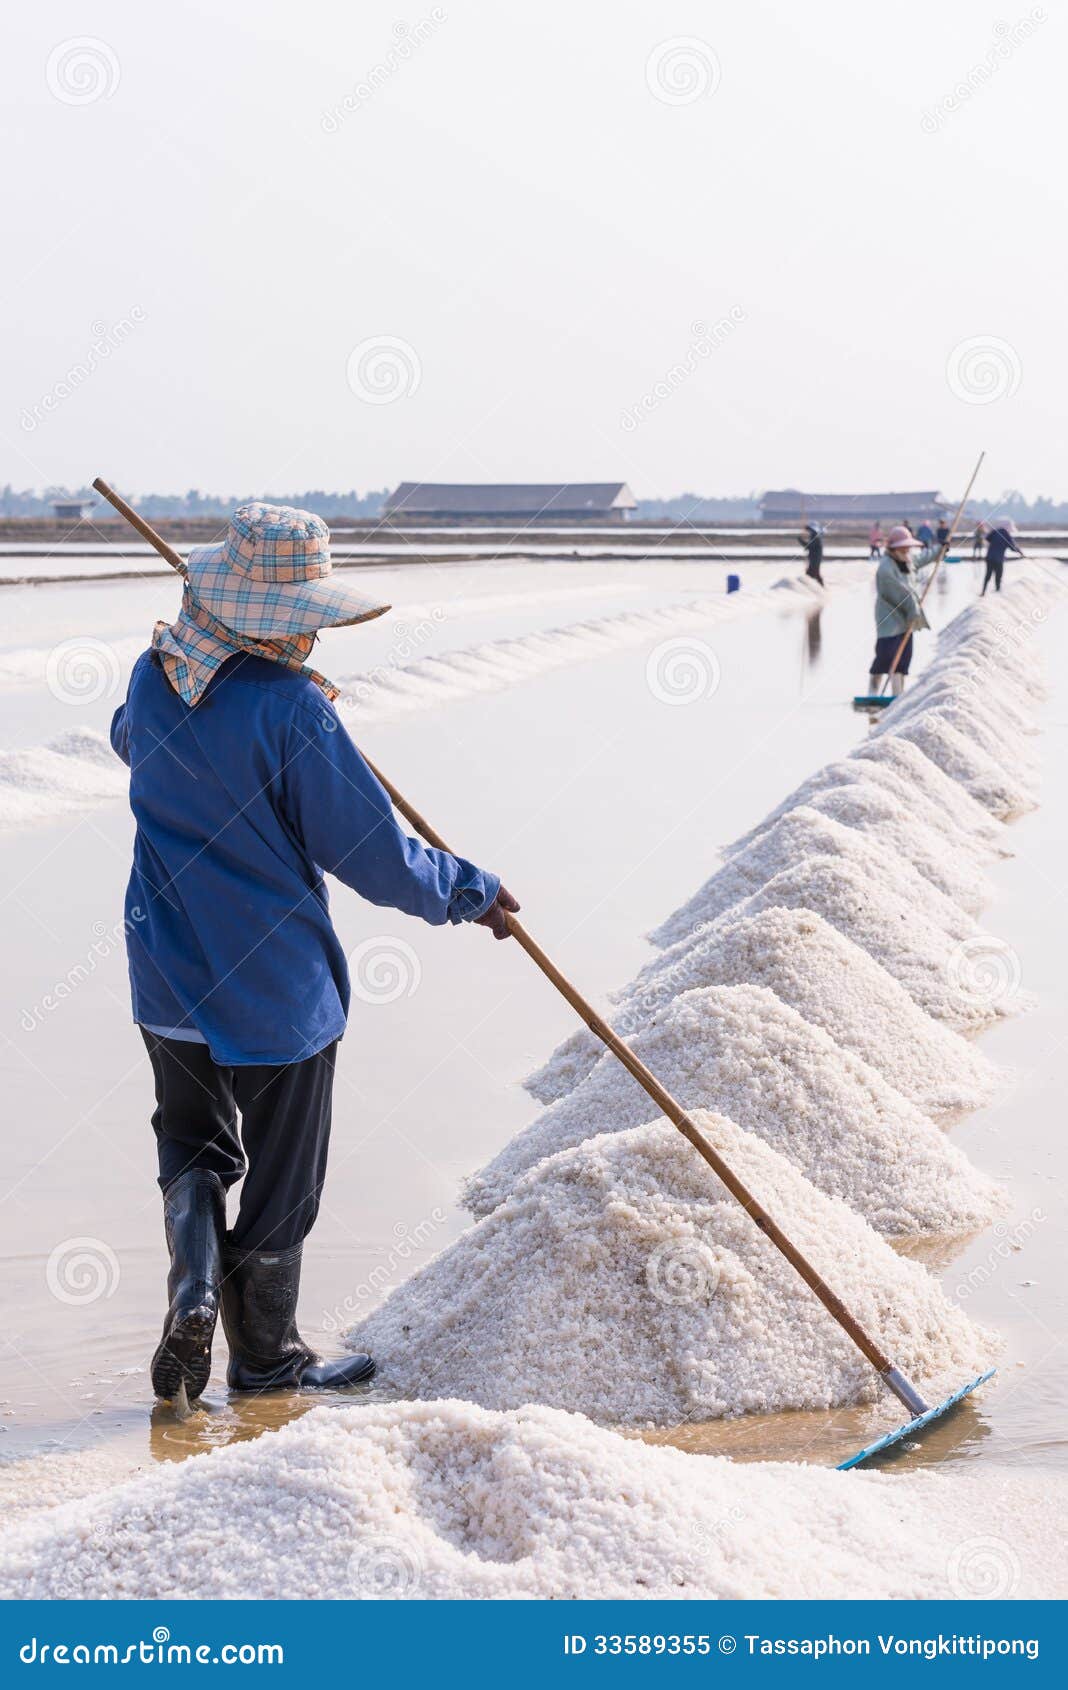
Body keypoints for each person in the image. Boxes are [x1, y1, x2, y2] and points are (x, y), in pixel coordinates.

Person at [110, 503, 518, 1402]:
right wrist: (472, 891)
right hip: (273, 985)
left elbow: (127, 741)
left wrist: (194, 658)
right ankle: (266, 1359)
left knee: (191, 1143)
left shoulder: (152, 675)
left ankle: (192, 1287)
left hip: (167, 968)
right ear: (284, 620)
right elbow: (373, 857)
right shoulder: (293, 709)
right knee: (283, 1173)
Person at [866, 523, 940, 696]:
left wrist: (940, 550)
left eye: (908, 547)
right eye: (904, 547)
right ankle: (872, 694)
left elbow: (922, 559)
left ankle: (897, 695)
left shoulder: (906, 560)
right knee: (885, 657)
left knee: (903, 659)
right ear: (894, 548)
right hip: (889, 620)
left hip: (906, 620)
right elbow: (899, 595)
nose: (907, 550)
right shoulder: (886, 568)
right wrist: (914, 610)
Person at [981, 518, 1023, 594]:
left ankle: (983, 592)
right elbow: (1012, 547)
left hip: (989, 557)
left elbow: (987, 539)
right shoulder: (1006, 534)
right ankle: (997, 590)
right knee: (998, 575)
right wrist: (1020, 552)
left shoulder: (995, 531)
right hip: (998, 559)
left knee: (988, 575)